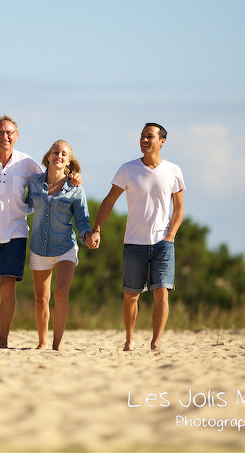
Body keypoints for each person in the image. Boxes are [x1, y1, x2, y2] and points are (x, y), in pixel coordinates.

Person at [0, 116, 80, 350]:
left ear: (17, 136)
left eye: (9, 132)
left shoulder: (27, 163)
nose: (5, 137)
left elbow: (50, 179)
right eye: (0, 132)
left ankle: (2, 340)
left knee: (8, 287)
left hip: (16, 233)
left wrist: (73, 176)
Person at [87, 123, 185, 351]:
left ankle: (156, 341)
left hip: (163, 242)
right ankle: (130, 339)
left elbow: (179, 208)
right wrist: (97, 229)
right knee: (131, 295)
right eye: (142, 136)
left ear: (162, 141)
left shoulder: (173, 171)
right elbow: (109, 200)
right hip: (134, 242)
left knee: (162, 292)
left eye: (149, 136)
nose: (144, 140)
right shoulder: (128, 169)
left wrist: (171, 235)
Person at [26, 140, 92, 351]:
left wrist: (88, 236)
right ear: (48, 156)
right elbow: (24, 207)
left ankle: (57, 343)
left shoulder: (75, 188)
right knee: (41, 299)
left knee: (61, 292)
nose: (59, 156)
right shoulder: (34, 183)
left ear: (68, 161)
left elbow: (82, 220)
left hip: (65, 247)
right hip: (39, 247)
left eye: (64, 154)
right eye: (56, 152)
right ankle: (42, 342)